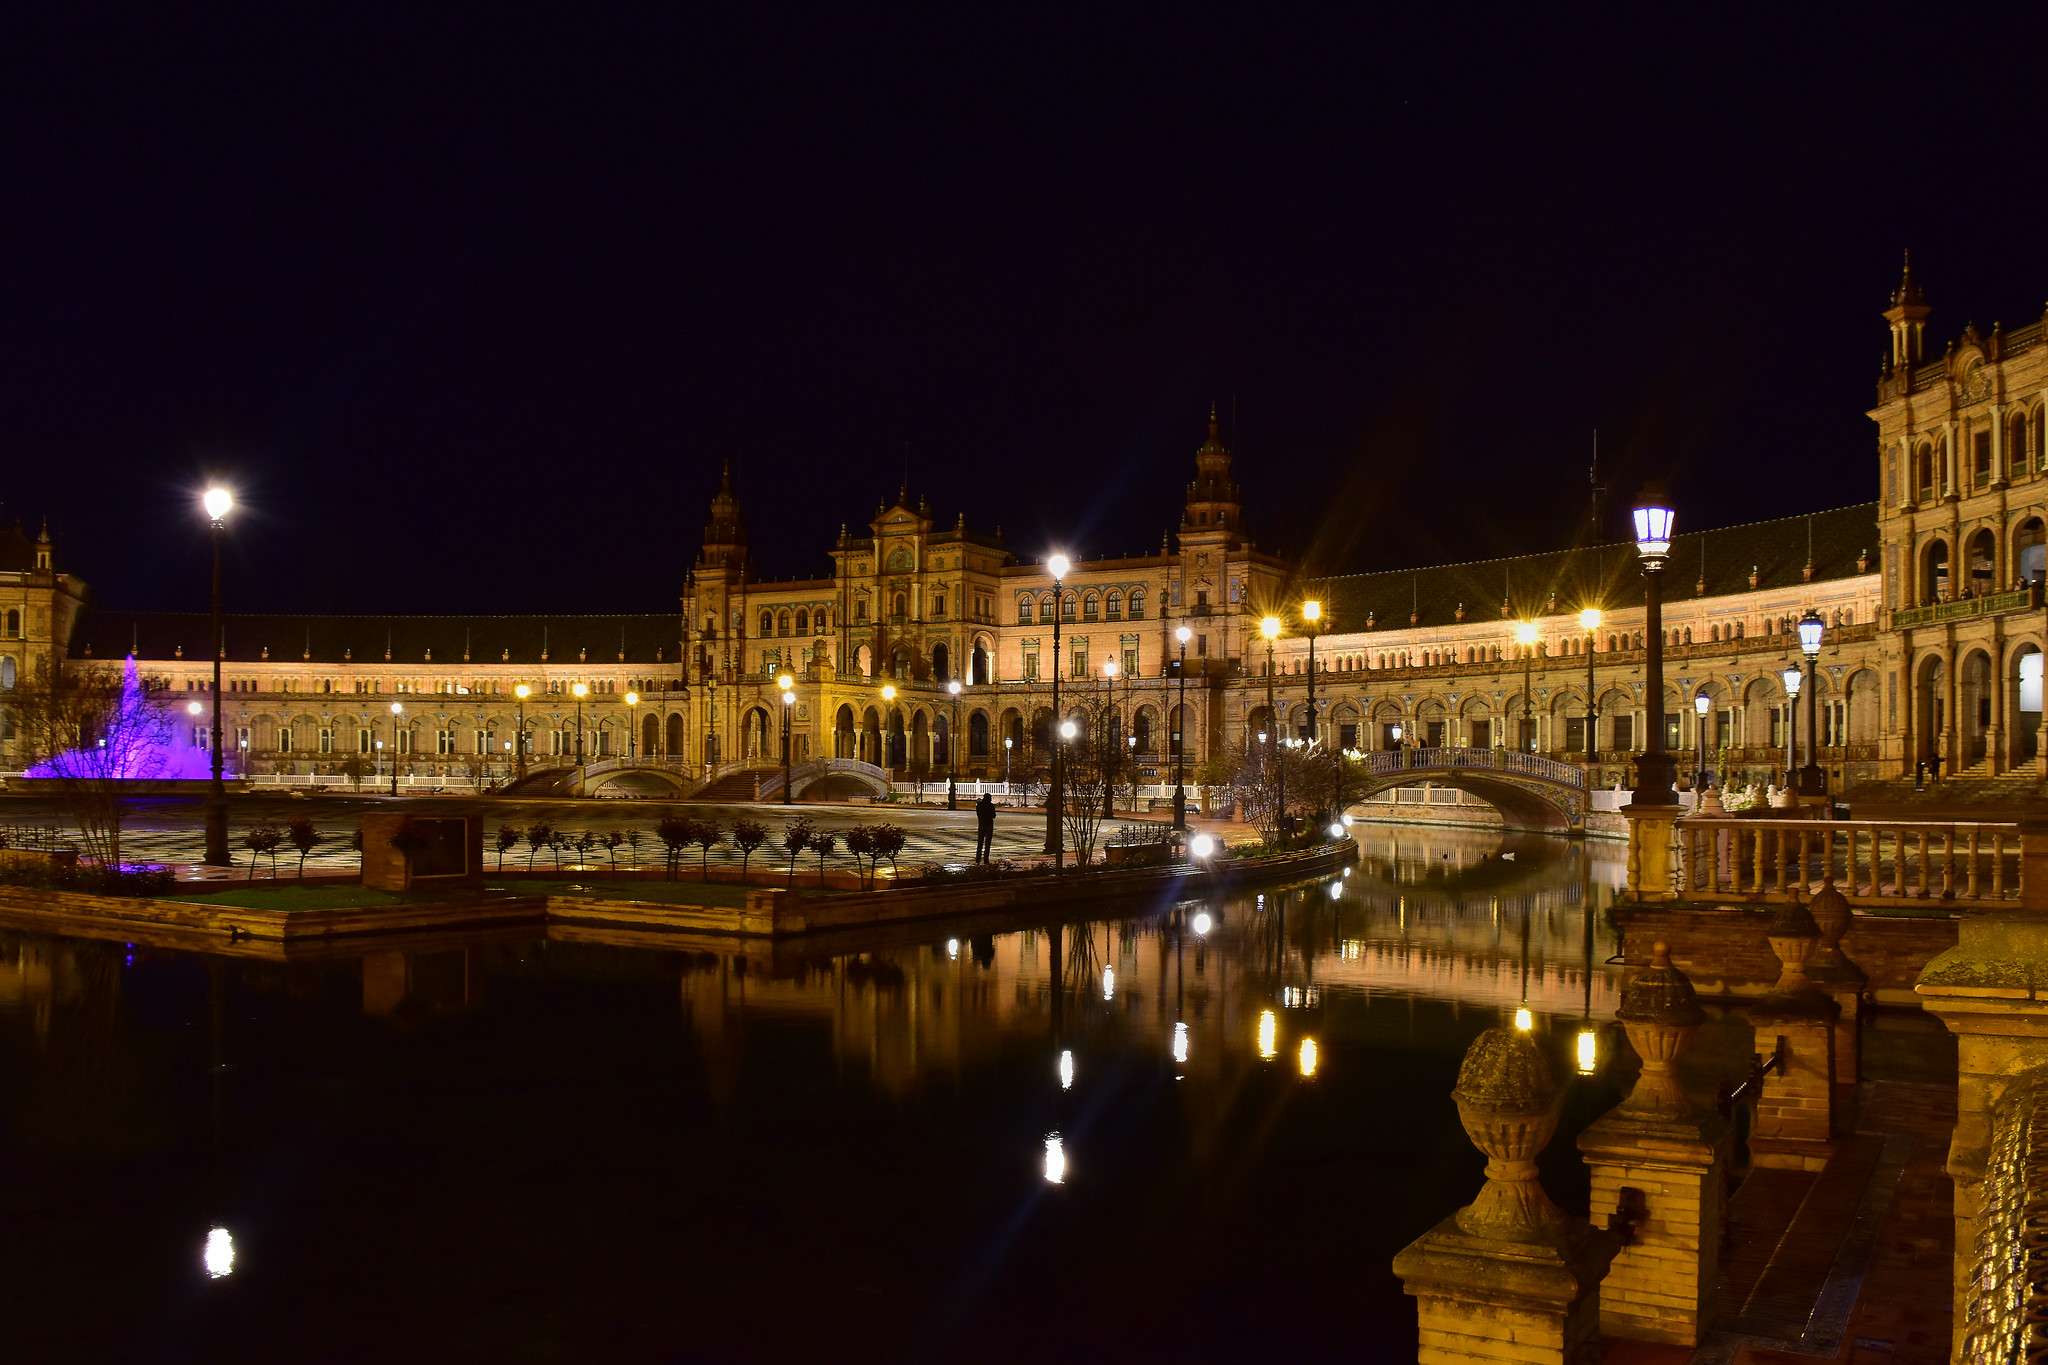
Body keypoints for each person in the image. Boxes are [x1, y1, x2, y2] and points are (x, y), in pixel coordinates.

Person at [974, 792, 996, 864]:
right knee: (987, 843)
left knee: (980, 843)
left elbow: (978, 814)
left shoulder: (979, 806)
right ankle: (986, 858)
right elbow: (994, 816)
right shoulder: (991, 805)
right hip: (989, 825)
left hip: (981, 825)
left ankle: (978, 858)